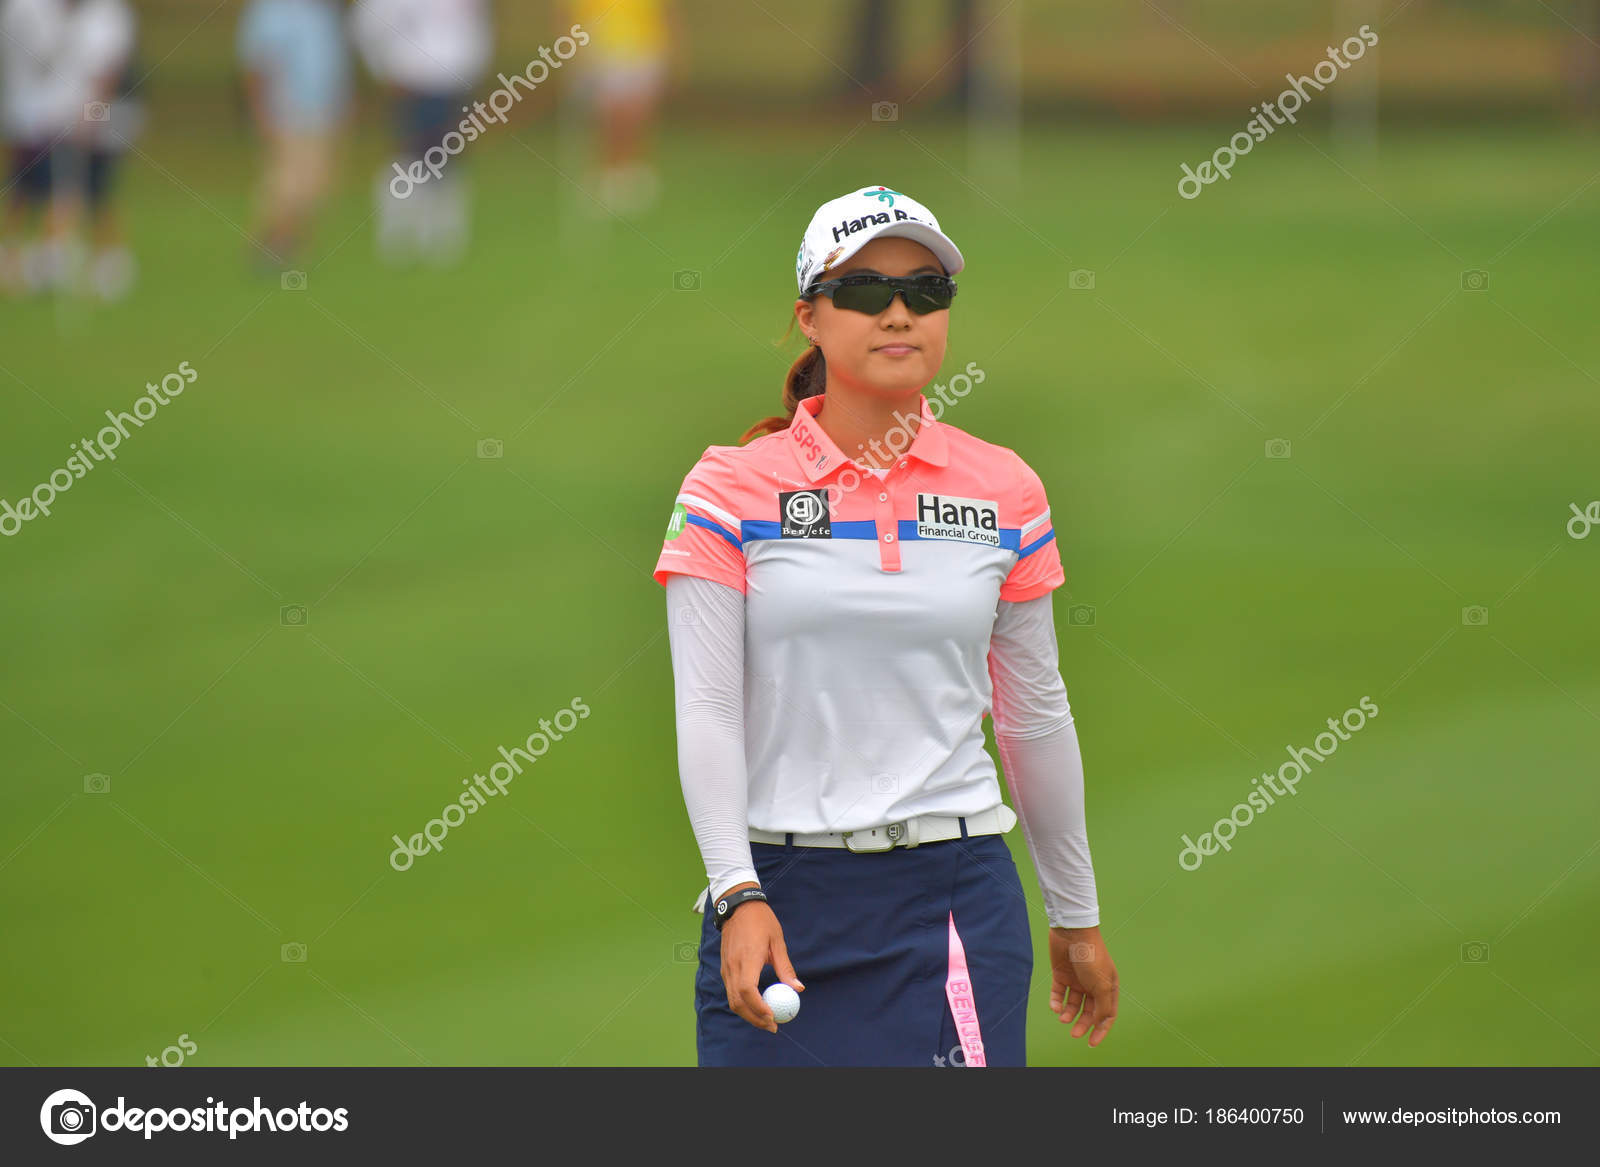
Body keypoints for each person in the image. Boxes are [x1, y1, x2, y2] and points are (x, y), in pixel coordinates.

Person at [652, 184, 1118, 1066]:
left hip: (953, 901)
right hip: (779, 901)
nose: (898, 313)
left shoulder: (1004, 487)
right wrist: (735, 893)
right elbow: (707, 707)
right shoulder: (728, 488)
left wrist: (1075, 913)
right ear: (810, 318)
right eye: (866, 291)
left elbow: (1034, 714)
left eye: (925, 292)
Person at [349, 0, 491, 265]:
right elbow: (368, 25)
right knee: (409, 158)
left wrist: (473, 71)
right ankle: (397, 233)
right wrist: (383, 69)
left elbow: (474, 29)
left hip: (455, 82)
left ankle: (442, 236)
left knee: (448, 159)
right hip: (414, 81)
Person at [236, 0, 351, 270]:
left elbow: (335, 65)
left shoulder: (324, 12)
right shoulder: (269, 10)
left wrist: (342, 106)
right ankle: (270, 246)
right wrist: (261, 112)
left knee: (317, 183)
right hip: (285, 110)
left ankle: (293, 245)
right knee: (285, 183)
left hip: (322, 110)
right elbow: (256, 64)